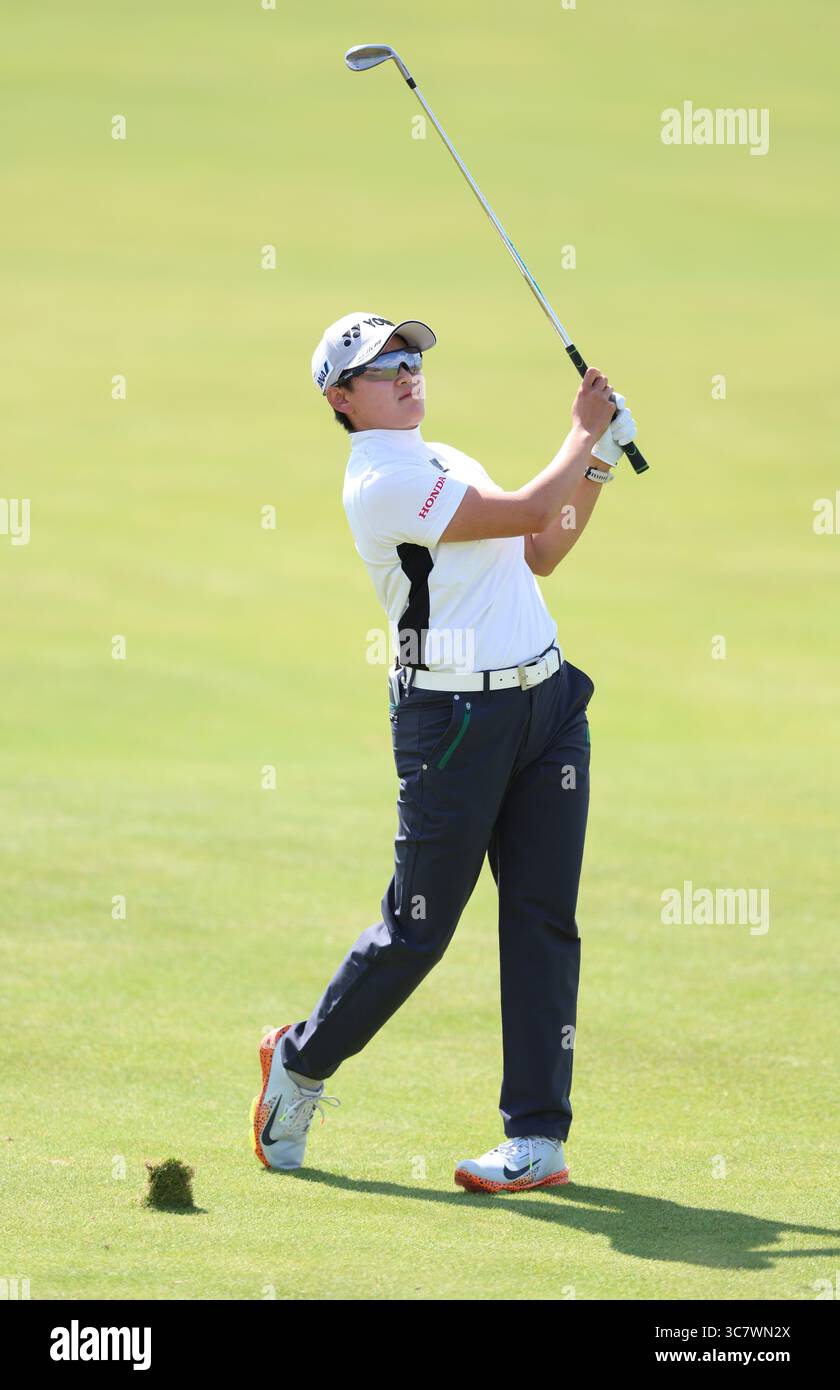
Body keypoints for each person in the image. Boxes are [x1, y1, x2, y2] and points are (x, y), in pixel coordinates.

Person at [249, 311, 636, 1192]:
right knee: (419, 929)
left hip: (546, 706)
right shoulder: (379, 482)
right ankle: (299, 1065)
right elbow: (535, 505)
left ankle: (536, 1135)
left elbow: (542, 547)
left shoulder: (444, 458)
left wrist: (601, 458)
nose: (406, 372)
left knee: (543, 919)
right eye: (382, 368)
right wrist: (582, 431)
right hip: (452, 719)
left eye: (410, 357)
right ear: (341, 400)